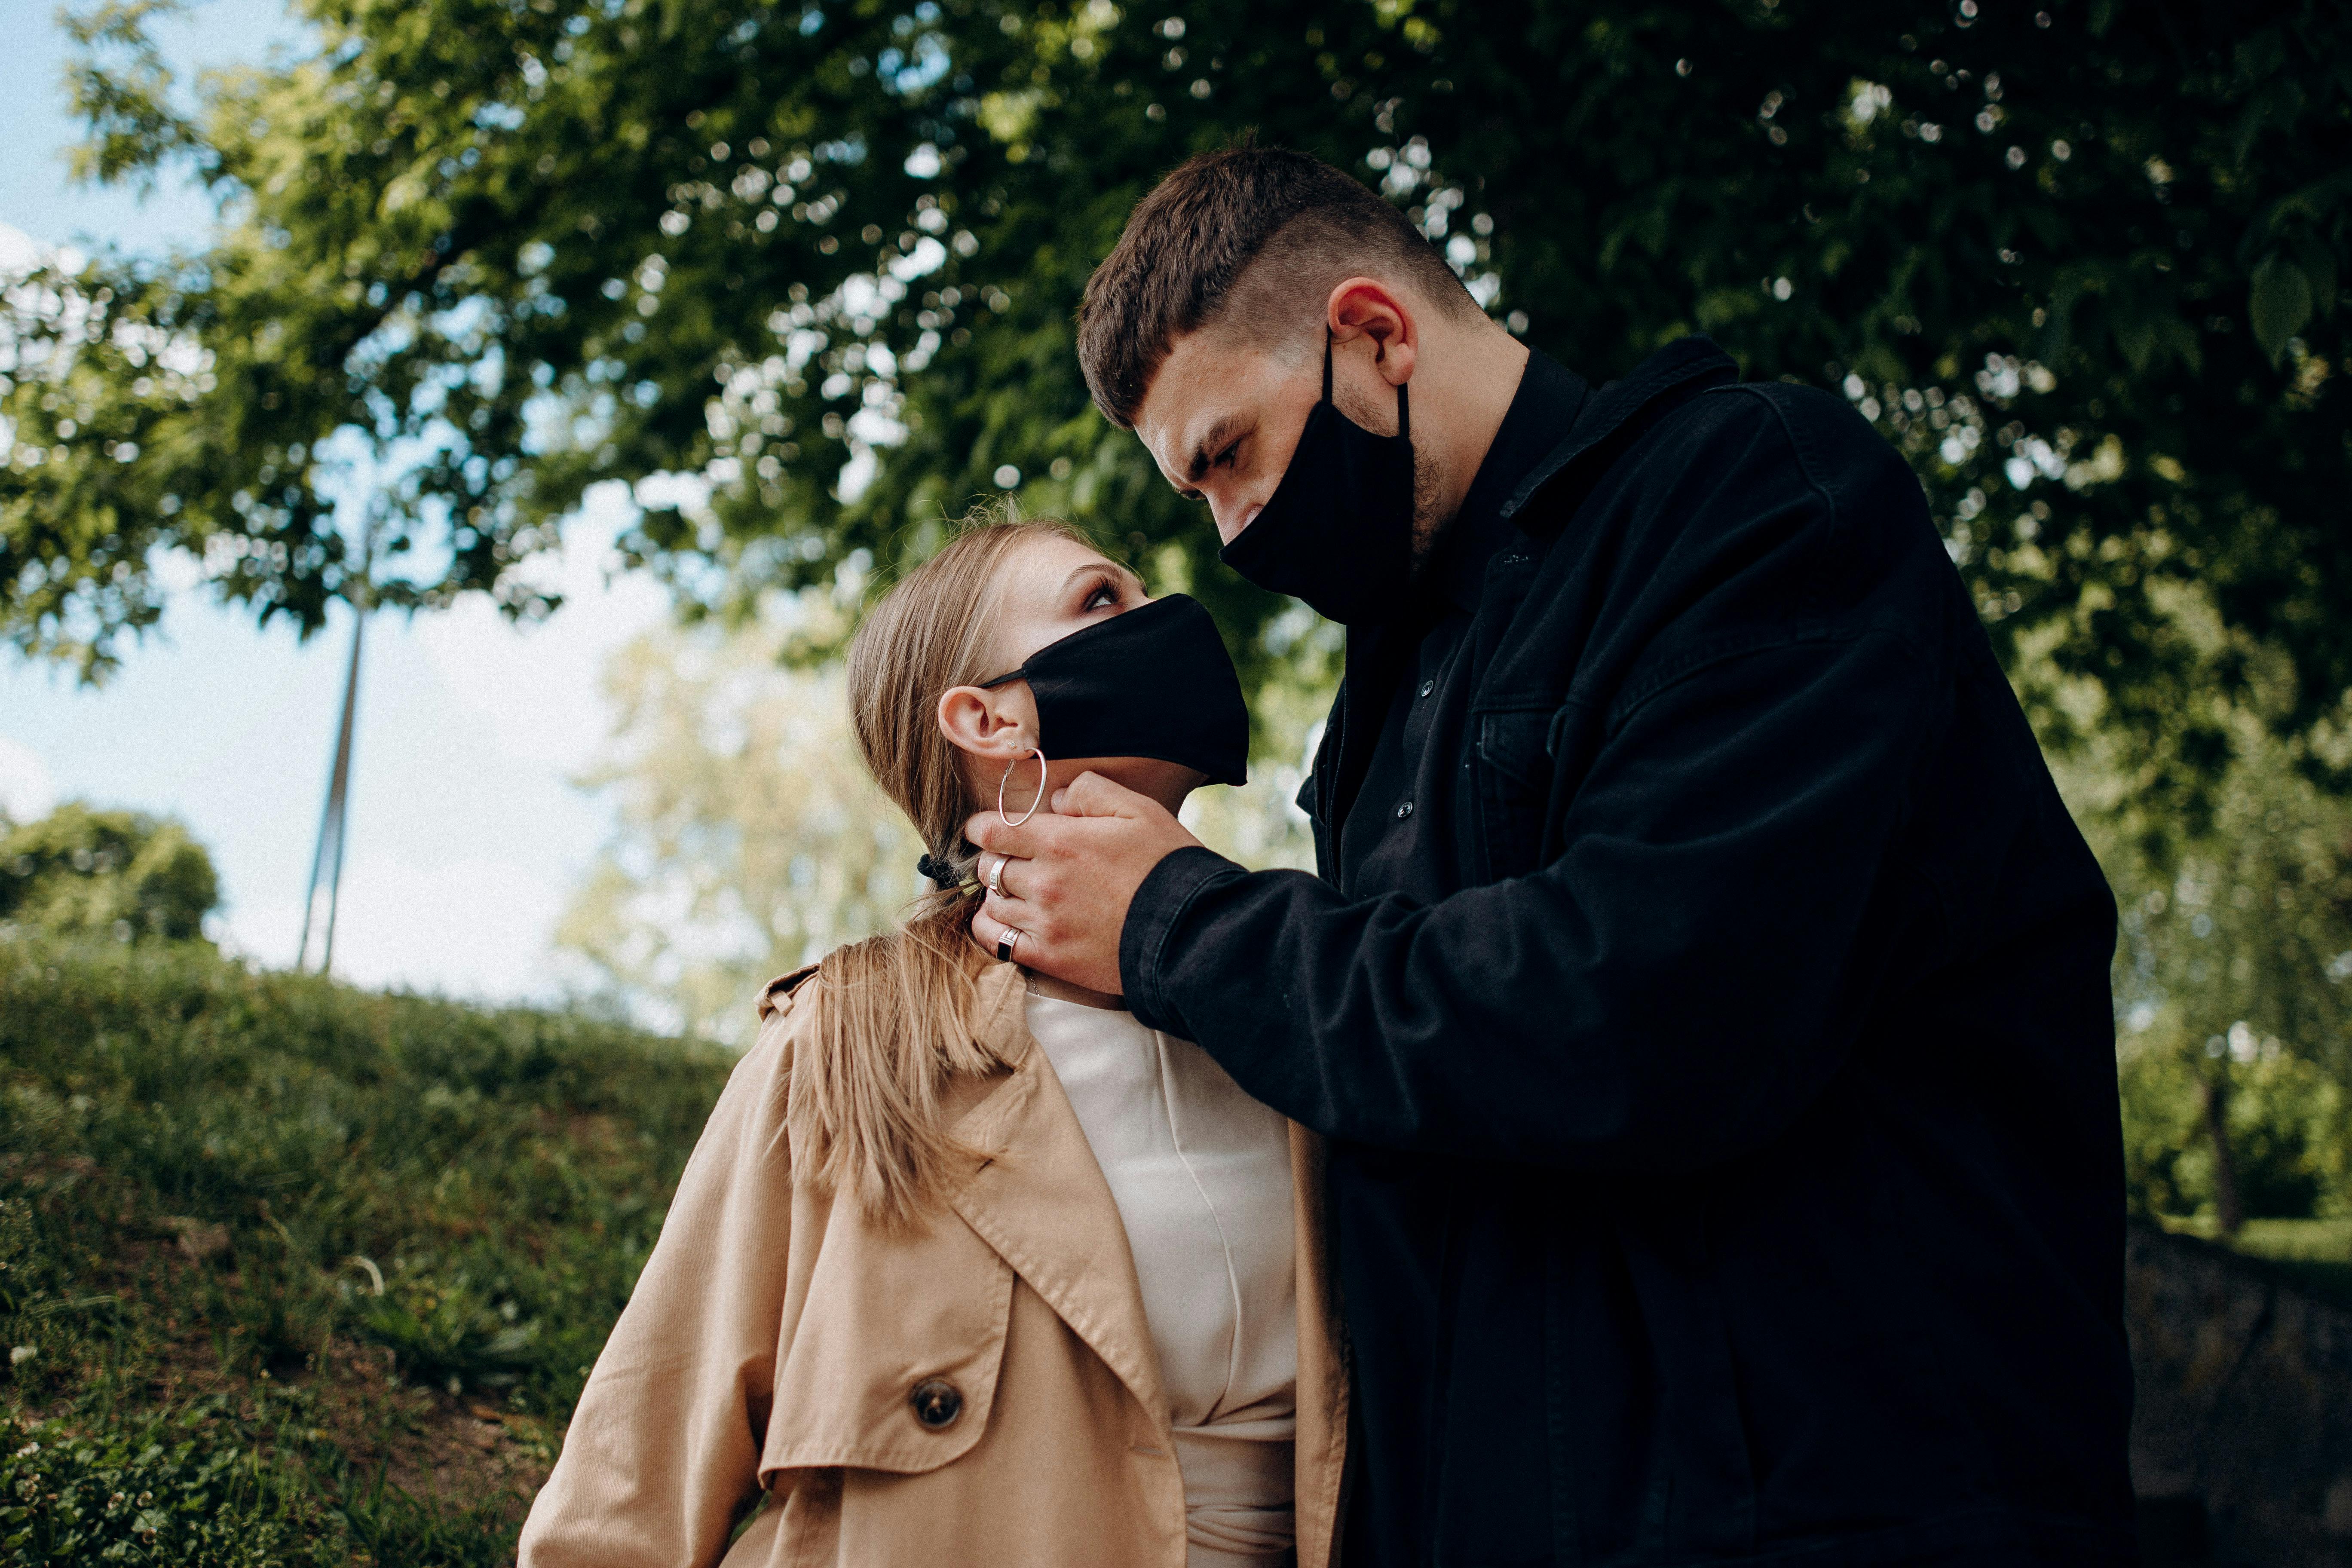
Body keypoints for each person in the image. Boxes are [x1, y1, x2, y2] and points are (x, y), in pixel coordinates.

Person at [965, 146, 2139, 1564]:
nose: (1228, 532)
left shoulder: (1747, 495)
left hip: (1843, 1509)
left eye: (1231, 455)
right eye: (1195, 493)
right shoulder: (1386, 696)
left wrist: (1180, 924)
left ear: (1374, 334)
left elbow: (1654, 1012)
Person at [517, 514, 1347, 1568]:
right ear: (985, 720)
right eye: (1103, 599)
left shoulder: (1309, 1007)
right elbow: (630, 1492)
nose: (1169, 620)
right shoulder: (848, 1041)